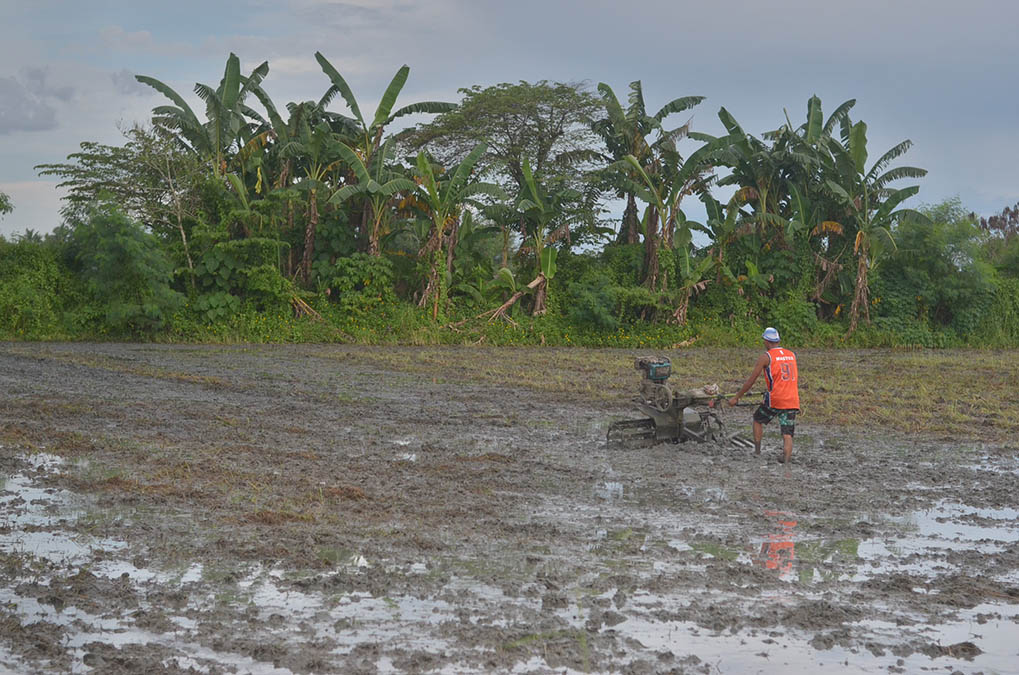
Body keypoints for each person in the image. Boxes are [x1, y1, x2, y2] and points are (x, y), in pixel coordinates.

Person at [728, 327, 800, 463]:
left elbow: (751, 380)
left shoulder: (766, 357)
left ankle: (757, 451)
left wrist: (736, 397)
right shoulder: (791, 355)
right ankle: (786, 461)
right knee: (787, 433)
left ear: (767, 341)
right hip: (792, 399)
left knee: (757, 419)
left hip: (776, 399)